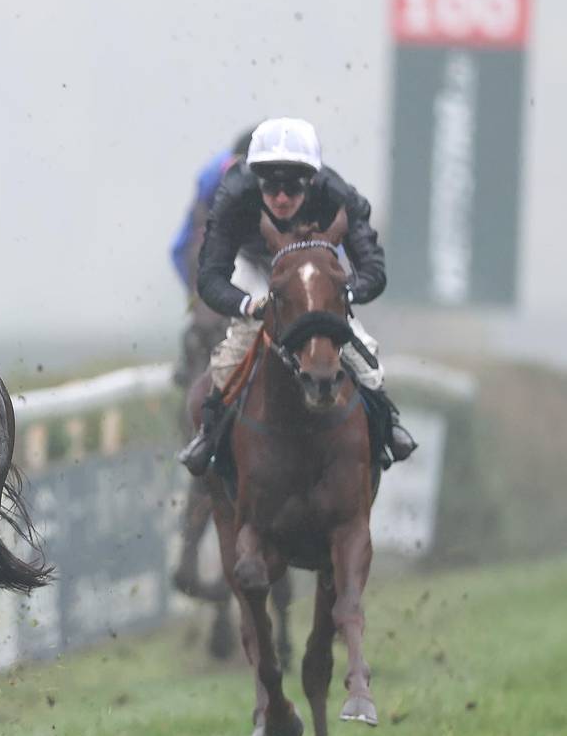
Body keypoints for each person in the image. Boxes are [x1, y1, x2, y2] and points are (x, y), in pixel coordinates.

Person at [179, 116, 417, 475]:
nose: (281, 198)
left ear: (312, 182)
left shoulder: (337, 195)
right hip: (255, 266)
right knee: (234, 349)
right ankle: (210, 434)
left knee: (360, 348)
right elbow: (211, 277)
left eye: (293, 188)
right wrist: (246, 305)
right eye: (271, 188)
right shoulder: (233, 194)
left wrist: (341, 295)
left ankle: (387, 424)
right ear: (254, 180)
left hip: (312, 268)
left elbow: (373, 269)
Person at [169, 128, 268, 391]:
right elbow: (182, 247)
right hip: (232, 252)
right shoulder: (212, 176)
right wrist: (198, 295)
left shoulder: (301, 176)